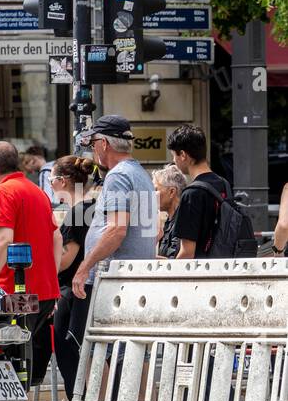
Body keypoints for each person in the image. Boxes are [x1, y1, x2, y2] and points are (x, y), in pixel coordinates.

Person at [0, 141, 61, 401]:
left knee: (6, 362)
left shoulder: (4, 192)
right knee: (21, 361)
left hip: (11, 293)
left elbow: (3, 239)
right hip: (41, 291)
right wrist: (50, 278)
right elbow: (55, 236)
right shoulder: (37, 192)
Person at [72, 115, 159, 305]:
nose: (92, 149)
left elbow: (116, 231)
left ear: (104, 143)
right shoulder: (140, 173)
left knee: (79, 335)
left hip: (114, 282)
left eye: (93, 142)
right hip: (133, 279)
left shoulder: (118, 175)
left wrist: (84, 267)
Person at [49, 155, 97, 401]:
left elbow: (66, 259)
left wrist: (43, 269)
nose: (50, 187)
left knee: (71, 362)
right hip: (91, 291)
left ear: (63, 181)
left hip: (72, 294)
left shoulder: (76, 213)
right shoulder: (95, 208)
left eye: (51, 181)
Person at [167, 123, 232, 259]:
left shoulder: (191, 194)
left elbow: (187, 253)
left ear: (183, 155)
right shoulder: (223, 184)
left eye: (174, 155)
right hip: (224, 267)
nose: (174, 160)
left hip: (201, 274)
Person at [152, 163, 187, 259]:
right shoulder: (169, 221)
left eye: (155, 189)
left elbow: (175, 263)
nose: (153, 194)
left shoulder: (183, 220)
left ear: (172, 192)